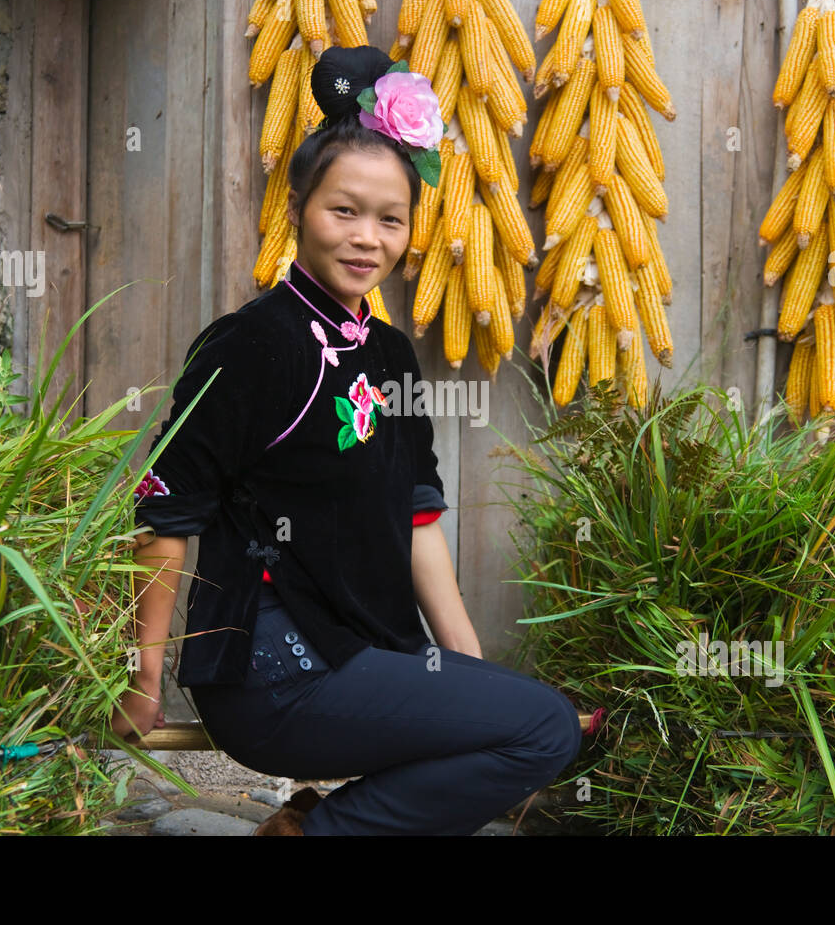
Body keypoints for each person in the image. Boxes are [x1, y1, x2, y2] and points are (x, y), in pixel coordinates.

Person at [114, 45, 581, 835]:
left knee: (530, 724)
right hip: (270, 678)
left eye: (391, 220)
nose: (368, 238)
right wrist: (142, 678)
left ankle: (307, 826)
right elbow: (167, 522)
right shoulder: (251, 344)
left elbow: (418, 519)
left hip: (363, 660)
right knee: (544, 729)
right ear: (295, 208)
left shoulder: (391, 354)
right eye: (344, 211)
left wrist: (464, 670)